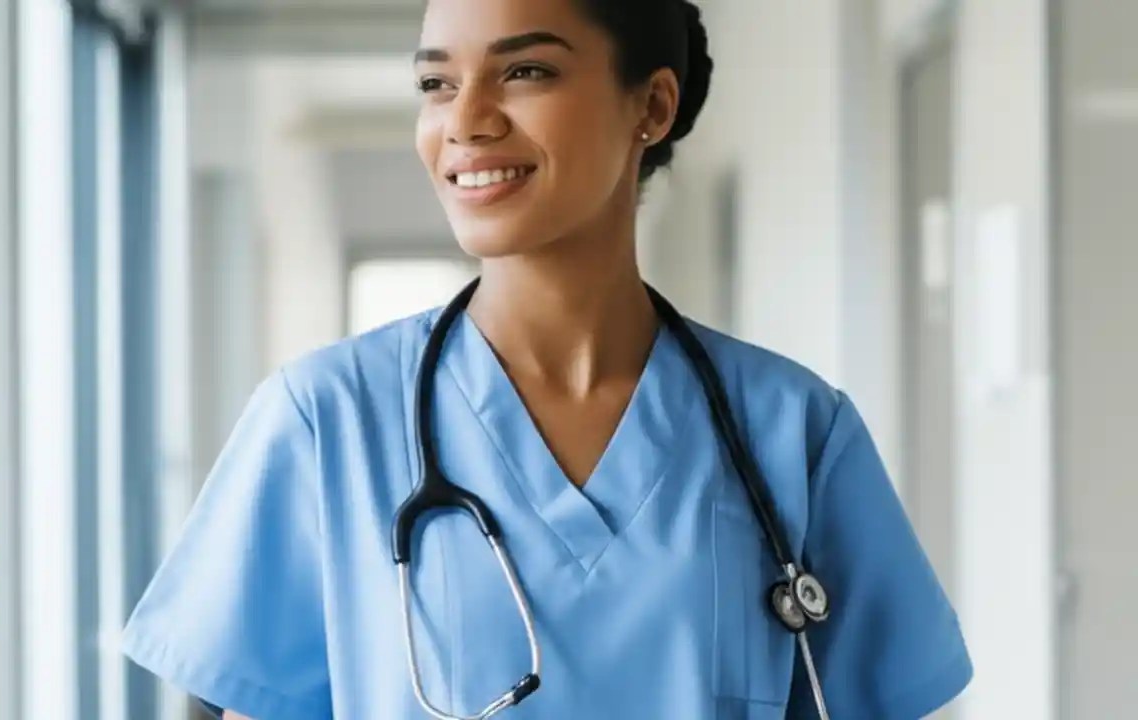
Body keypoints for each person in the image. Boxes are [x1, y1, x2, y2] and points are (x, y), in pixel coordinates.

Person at [120, 0, 974, 717]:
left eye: (525, 72)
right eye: (435, 84)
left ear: (653, 106)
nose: (465, 119)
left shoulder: (793, 430)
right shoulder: (325, 421)